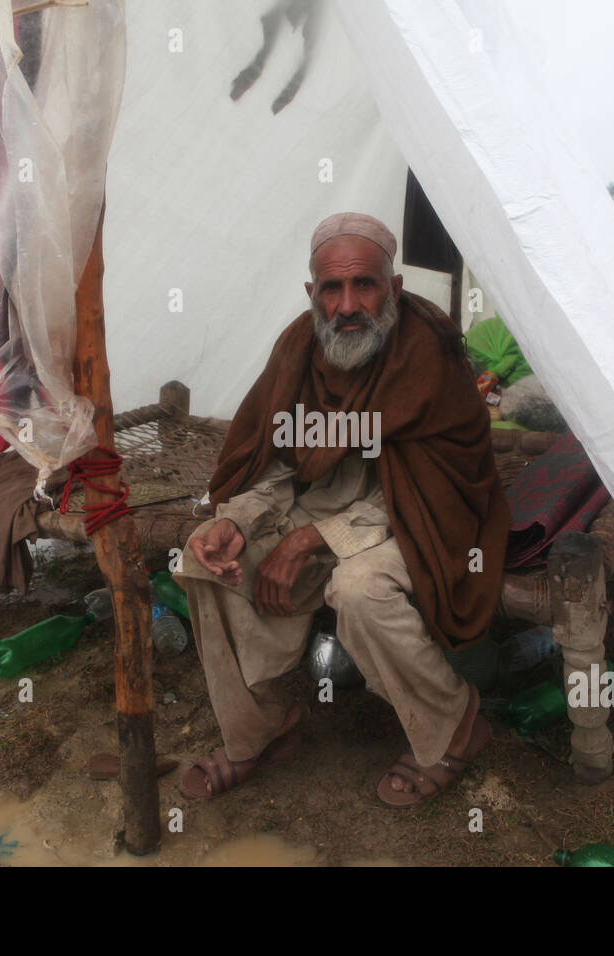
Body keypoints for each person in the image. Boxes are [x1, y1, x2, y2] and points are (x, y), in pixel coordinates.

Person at [175, 211, 509, 807]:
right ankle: (262, 728)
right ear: (312, 294)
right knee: (204, 557)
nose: (348, 305)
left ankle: (458, 721)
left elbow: (434, 488)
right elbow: (275, 467)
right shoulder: (300, 349)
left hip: (420, 520)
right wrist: (235, 521)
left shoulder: (426, 355)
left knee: (358, 589)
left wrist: (311, 541)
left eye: (365, 285)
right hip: (320, 516)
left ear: (395, 289)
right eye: (332, 288)